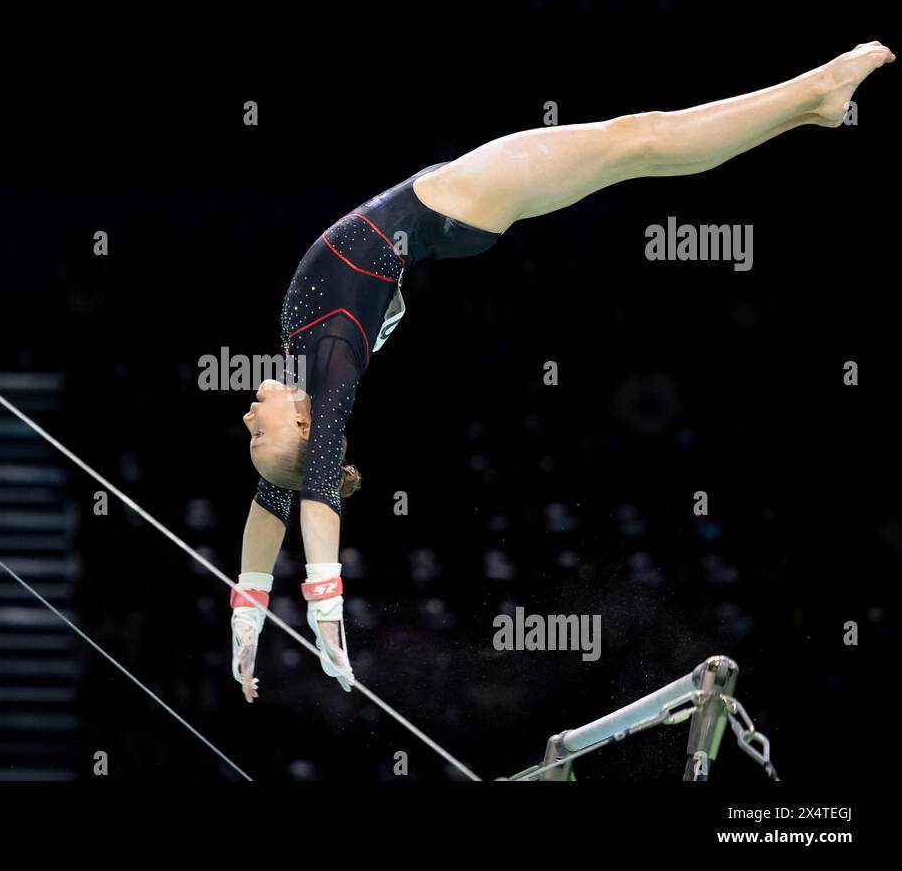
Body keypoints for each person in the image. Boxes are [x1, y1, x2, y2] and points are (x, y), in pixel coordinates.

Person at [231, 42, 894, 702]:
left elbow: (276, 501)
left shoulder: (311, 367)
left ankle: (810, 108)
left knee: (640, 148)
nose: (244, 419)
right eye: (259, 437)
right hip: (457, 199)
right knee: (638, 138)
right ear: (303, 422)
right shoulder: (329, 358)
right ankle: (820, 89)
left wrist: (247, 617)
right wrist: (325, 613)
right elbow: (314, 482)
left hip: (455, 211)